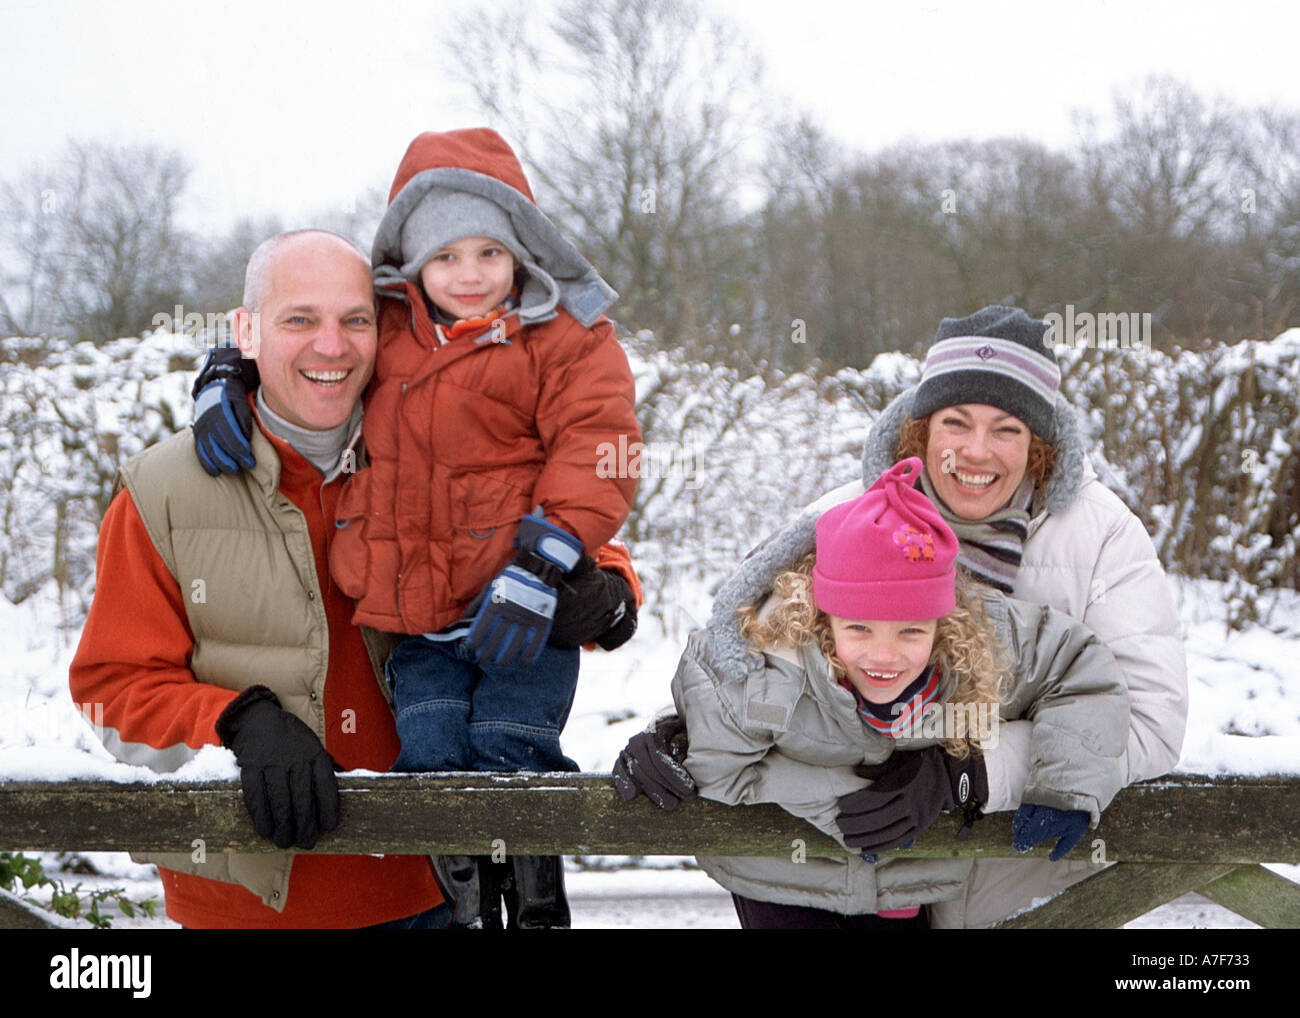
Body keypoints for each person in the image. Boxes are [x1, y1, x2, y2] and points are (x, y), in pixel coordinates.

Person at [189, 128, 643, 928]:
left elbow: (594, 451)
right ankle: (460, 887)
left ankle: (535, 890)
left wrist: (554, 572)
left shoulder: (563, 343)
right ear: (412, 266)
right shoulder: (389, 330)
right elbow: (310, 332)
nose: (468, 276)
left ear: (521, 254)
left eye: (488, 255)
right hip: (418, 617)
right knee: (428, 755)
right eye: (445, 259)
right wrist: (229, 369)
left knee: (512, 744)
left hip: (520, 603)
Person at [619, 304, 1187, 927]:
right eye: (956, 422)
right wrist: (684, 734)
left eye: (1007, 429)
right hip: (843, 886)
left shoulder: (1102, 535)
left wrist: (966, 772)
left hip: (1022, 889)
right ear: (922, 428)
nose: (976, 451)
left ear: (1041, 443)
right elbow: (753, 654)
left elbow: (1146, 726)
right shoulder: (845, 520)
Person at [68, 230, 448, 928]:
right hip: (240, 903)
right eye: (299, 319)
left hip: (424, 891)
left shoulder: (433, 458)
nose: (331, 346)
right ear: (246, 331)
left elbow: (545, 508)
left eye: (354, 320)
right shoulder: (161, 491)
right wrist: (235, 723)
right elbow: (111, 691)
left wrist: (599, 578)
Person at [670, 458, 1129, 928]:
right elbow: (717, 772)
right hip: (780, 881)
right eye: (860, 628)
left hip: (908, 886)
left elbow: (1078, 668)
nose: (884, 655)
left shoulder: (978, 644)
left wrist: (1065, 782)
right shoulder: (768, 666)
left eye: (910, 630)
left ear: (943, 622)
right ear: (824, 617)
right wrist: (842, 798)